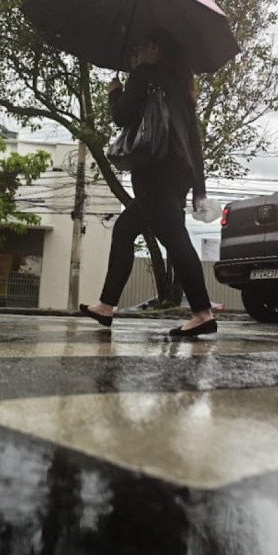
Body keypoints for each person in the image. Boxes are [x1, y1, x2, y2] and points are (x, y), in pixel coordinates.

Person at [79, 27, 217, 338]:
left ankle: (202, 312)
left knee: (175, 239)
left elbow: (121, 116)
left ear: (155, 48)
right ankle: (106, 305)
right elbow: (194, 141)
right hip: (178, 173)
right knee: (126, 229)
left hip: (154, 171)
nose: (137, 52)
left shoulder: (145, 74)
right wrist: (199, 188)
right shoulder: (182, 86)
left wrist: (115, 92)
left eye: (141, 46)